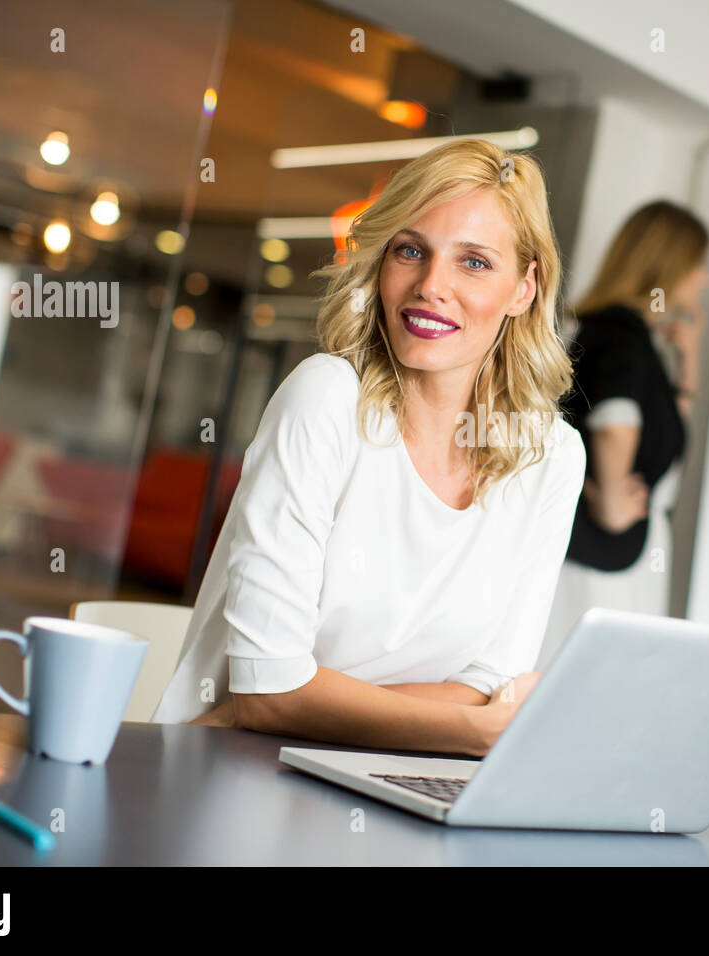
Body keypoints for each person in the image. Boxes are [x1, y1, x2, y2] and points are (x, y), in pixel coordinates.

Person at [152, 139, 586, 758]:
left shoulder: (551, 456)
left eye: (475, 263)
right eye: (411, 251)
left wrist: (299, 701)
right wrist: (467, 728)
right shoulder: (325, 399)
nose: (431, 285)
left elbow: (494, 683)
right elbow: (269, 693)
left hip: (402, 778)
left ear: (524, 288)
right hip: (233, 772)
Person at [536, 201, 709, 670]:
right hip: (604, 554)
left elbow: (663, 430)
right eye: (700, 265)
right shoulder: (622, 336)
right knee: (592, 683)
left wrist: (687, 360)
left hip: (607, 551)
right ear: (672, 267)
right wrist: (612, 498)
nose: (704, 279)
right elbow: (615, 421)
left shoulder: (608, 332)